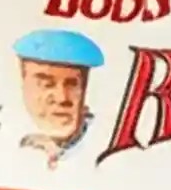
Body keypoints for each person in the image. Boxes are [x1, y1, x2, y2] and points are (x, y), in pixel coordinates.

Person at [13, 28, 106, 169]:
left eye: (73, 84)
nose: (62, 98)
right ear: (23, 82)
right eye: (46, 84)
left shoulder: (101, 141)